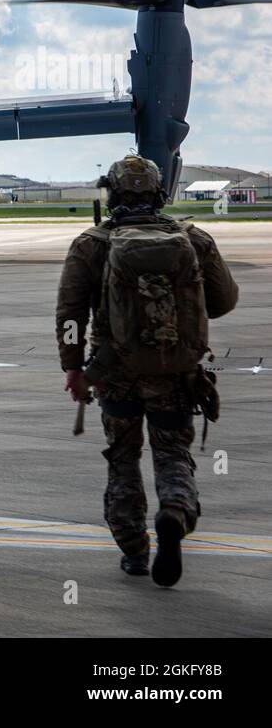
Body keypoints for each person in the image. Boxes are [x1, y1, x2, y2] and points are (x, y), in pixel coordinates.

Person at [56, 154, 238, 586]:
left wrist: (73, 369)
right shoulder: (194, 239)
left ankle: (135, 552)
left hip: (113, 373)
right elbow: (224, 301)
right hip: (175, 372)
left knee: (122, 459)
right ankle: (173, 512)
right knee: (173, 455)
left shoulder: (90, 244)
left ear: (113, 192)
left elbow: (69, 316)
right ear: (160, 192)